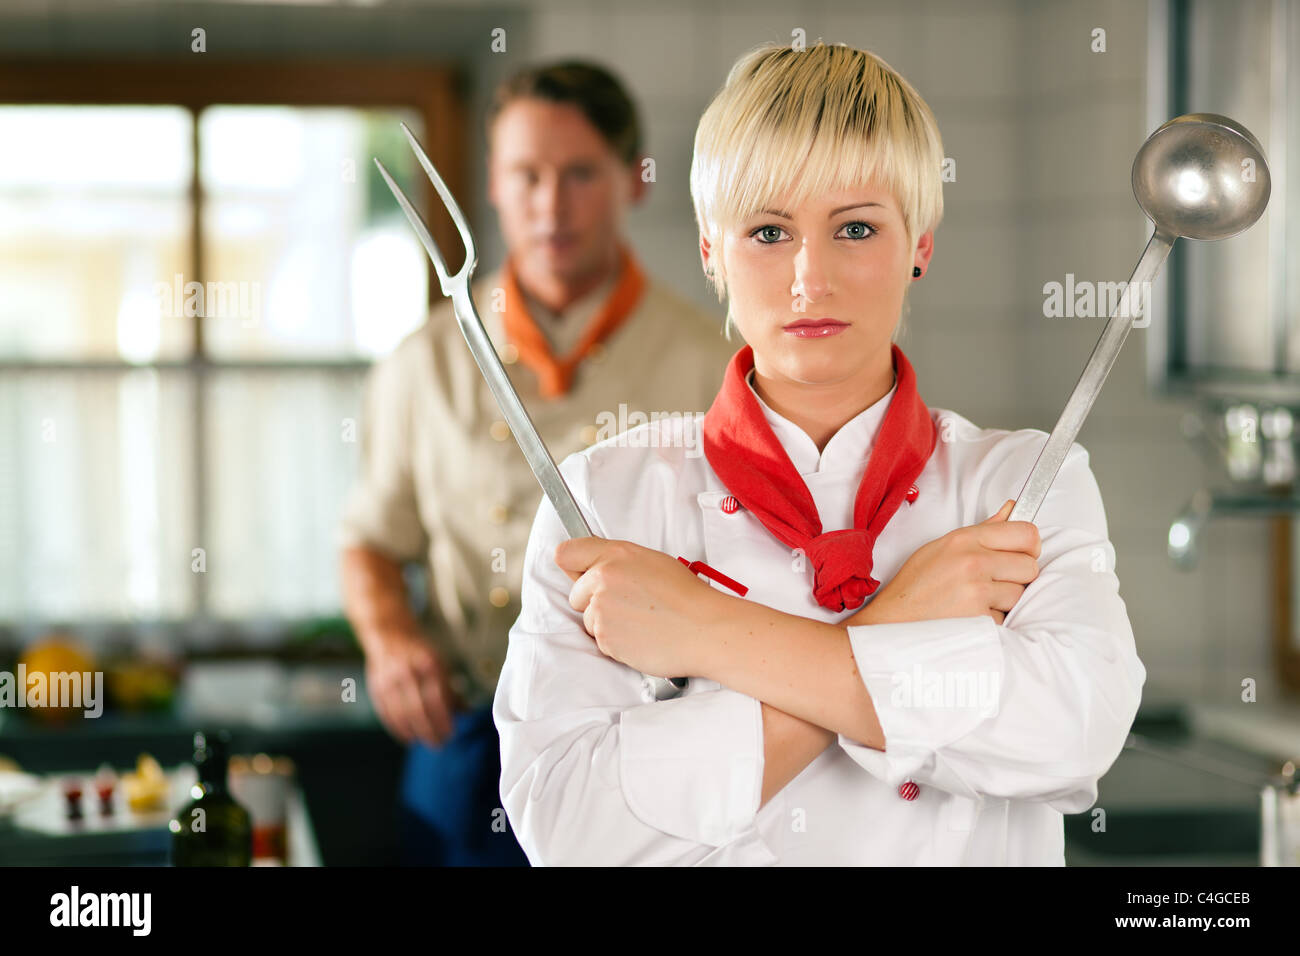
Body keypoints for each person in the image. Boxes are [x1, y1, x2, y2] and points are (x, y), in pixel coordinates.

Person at [493, 41, 1147, 866]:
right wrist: (901, 623)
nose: (810, 278)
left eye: (856, 228)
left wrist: (708, 631)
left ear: (922, 242)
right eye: (768, 230)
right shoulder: (600, 501)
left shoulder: (1026, 487)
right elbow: (572, 831)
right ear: (709, 249)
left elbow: (1071, 738)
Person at [339, 60, 735, 866]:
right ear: (492, 182)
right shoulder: (424, 362)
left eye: (581, 174)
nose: (551, 207)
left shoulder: (713, 363)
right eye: (527, 175)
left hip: (653, 744)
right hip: (464, 736)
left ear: (635, 181)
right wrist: (388, 641)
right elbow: (371, 543)